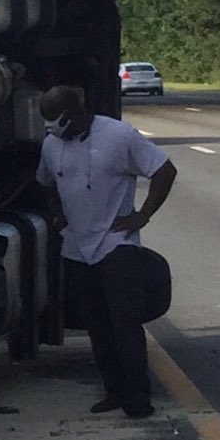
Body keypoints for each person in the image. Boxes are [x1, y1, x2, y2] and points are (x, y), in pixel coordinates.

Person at [34, 84, 177, 418]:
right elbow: (44, 183)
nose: (50, 129)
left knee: (125, 322)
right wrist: (57, 215)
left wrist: (142, 214)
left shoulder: (118, 136)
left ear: (73, 115)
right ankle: (113, 390)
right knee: (97, 325)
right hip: (76, 246)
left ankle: (138, 399)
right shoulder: (51, 146)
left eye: (55, 121)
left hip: (117, 244)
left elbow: (164, 170)